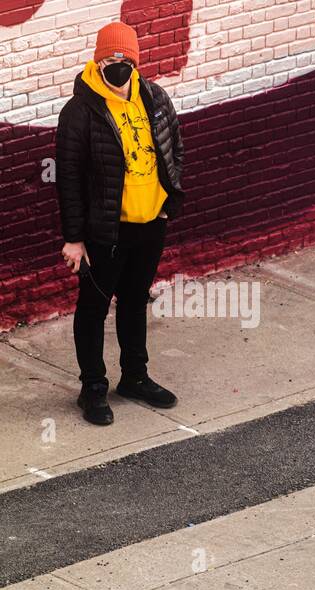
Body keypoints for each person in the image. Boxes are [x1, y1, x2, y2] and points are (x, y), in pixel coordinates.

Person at [56, 21, 184, 426]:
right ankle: (93, 386)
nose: (119, 65)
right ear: (98, 59)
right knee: (93, 309)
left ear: (135, 61)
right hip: (104, 231)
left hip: (150, 223)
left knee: (134, 302)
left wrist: (168, 198)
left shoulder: (154, 97)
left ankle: (135, 377)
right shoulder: (80, 111)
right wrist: (75, 239)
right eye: (111, 58)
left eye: (126, 58)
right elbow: (69, 179)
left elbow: (173, 147)